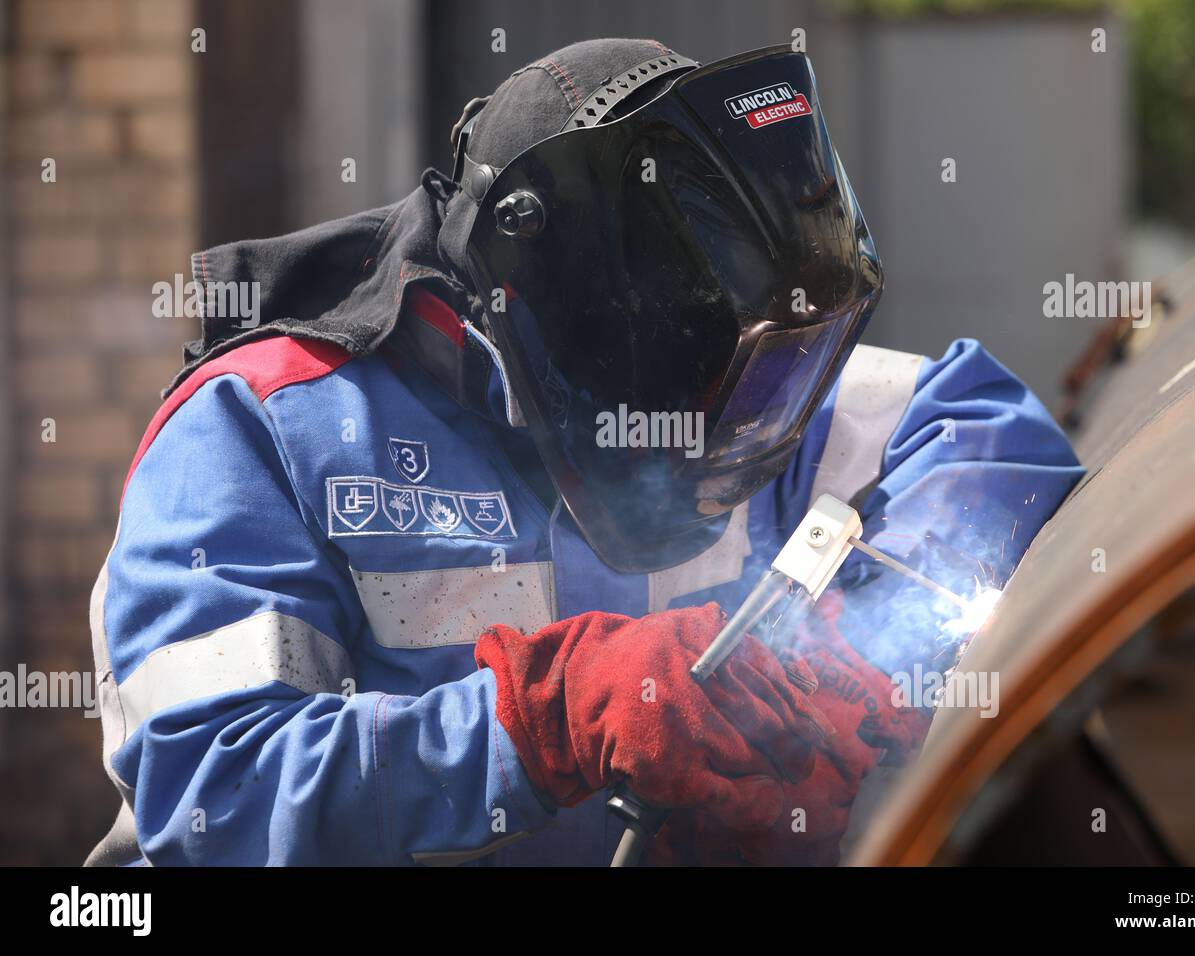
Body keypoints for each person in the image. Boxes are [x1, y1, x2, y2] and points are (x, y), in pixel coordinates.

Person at [86, 38, 1084, 866]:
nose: (741, 428)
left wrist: (850, 660)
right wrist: (541, 723)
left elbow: (985, 429)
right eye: (696, 392)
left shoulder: (747, 379)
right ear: (572, 326)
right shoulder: (261, 425)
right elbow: (209, 791)